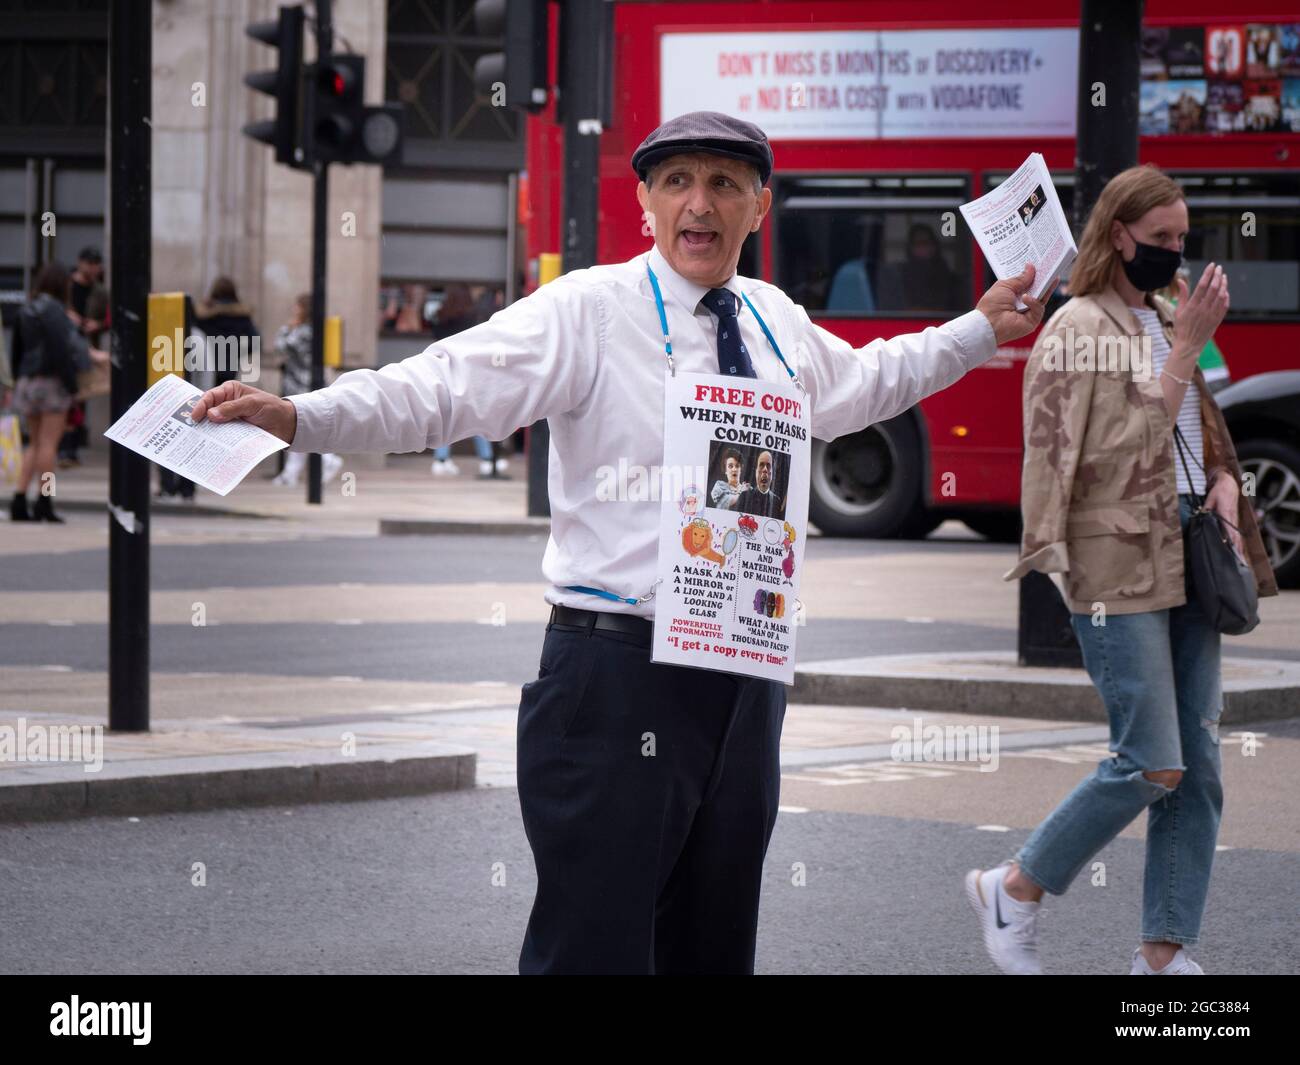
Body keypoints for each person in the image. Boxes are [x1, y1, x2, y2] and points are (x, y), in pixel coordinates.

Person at [189, 110, 1046, 974]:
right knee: (591, 950)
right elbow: (444, 388)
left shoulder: (775, 317)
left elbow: (867, 384)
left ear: (761, 205)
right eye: (676, 182)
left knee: (711, 949)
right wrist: (302, 417)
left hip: (746, 676)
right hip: (617, 679)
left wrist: (980, 330)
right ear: (645, 202)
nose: (698, 204)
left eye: (723, 183)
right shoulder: (591, 310)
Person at [969, 164, 1277, 976]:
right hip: (1114, 559)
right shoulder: (1076, 327)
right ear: (1118, 235)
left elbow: (1199, 432)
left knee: (1199, 767)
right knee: (1151, 759)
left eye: (1184, 238)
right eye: (1161, 239)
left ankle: (1162, 953)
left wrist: (1222, 483)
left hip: (1189, 545)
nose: (1176, 254)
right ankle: (1015, 884)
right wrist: (1179, 353)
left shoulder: (1170, 314)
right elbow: (1089, 458)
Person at [9, 261, 109, 522]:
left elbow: (17, 350)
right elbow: (60, 350)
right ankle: (44, 502)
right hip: (52, 382)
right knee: (49, 446)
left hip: (28, 382)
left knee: (33, 442)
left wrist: (16, 379)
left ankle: (19, 500)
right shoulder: (55, 311)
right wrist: (72, 386)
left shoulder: (28, 308)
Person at [428, 284, 507, 478]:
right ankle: (487, 459)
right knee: (475, 415)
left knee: (447, 416)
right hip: (466, 372)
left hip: (442, 370)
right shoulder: (472, 318)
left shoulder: (440, 316)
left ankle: (442, 459)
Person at [271, 293, 341, 487]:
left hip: (301, 383)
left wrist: (287, 327)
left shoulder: (303, 331)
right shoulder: (315, 329)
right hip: (304, 381)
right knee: (301, 426)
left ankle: (328, 460)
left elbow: (281, 345)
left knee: (302, 425)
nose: (294, 309)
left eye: (297, 306)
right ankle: (290, 473)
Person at [58, 246, 107, 468]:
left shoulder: (100, 290)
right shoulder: (66, 285)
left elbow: (109, 316)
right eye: (90, 263)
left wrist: (97, 325)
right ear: (80, 263)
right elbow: (56, 309)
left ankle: (72, 448)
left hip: (88, 350)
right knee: (66, 397)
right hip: (65, 349)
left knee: (81, 397)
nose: (94, 268)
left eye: (96, 264)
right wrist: (71, 317)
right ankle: (63, 447)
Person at [735, 449, 782, 517]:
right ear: (756, 471)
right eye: (761, 465)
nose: (765, 470)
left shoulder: (776, 501)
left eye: (768, 466)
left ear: (772, 473)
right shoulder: (744, 497)